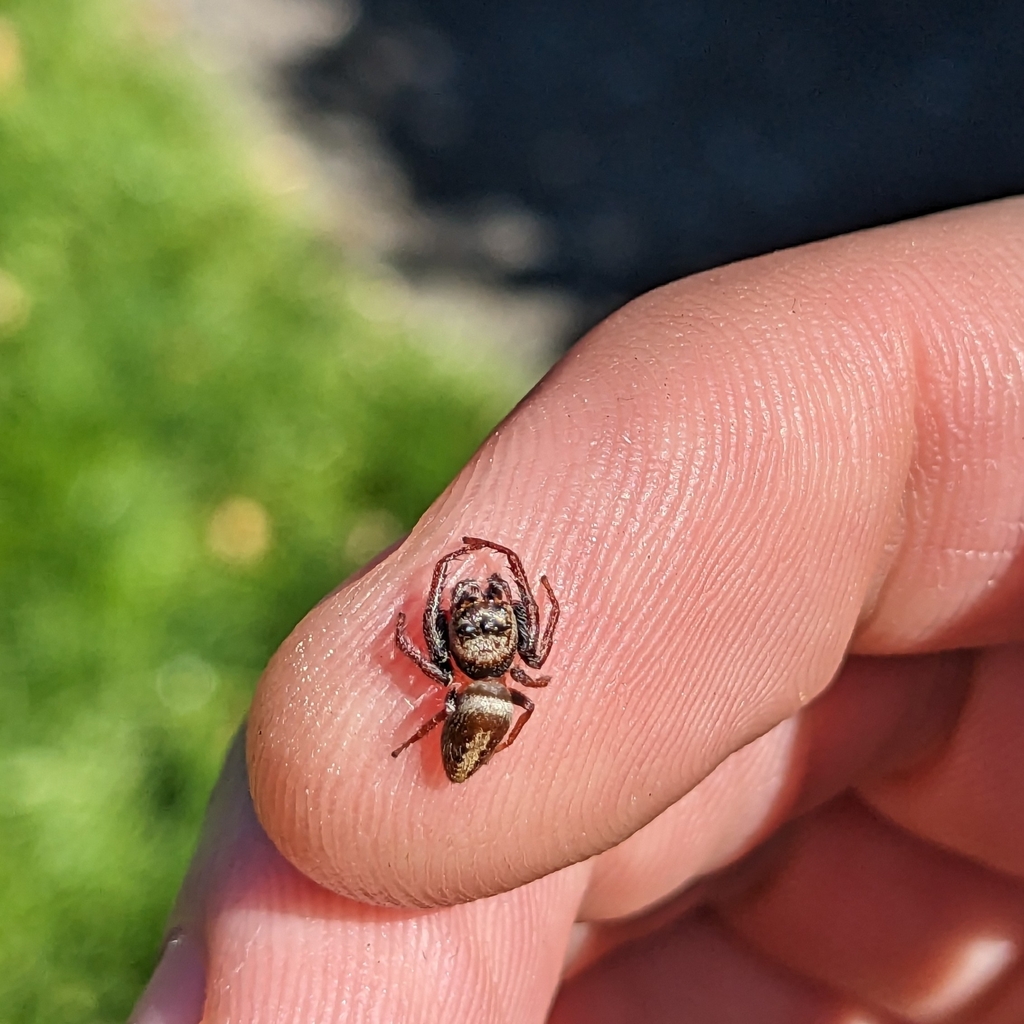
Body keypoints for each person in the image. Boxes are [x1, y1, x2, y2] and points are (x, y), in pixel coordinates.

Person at [131, 199, 1024, 1024]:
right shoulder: (500, 680)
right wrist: (508, 601)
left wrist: (474, 602)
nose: (479, 623)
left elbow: (434, 639)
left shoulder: (462, 679)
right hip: (490, 693)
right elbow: (506, 646)